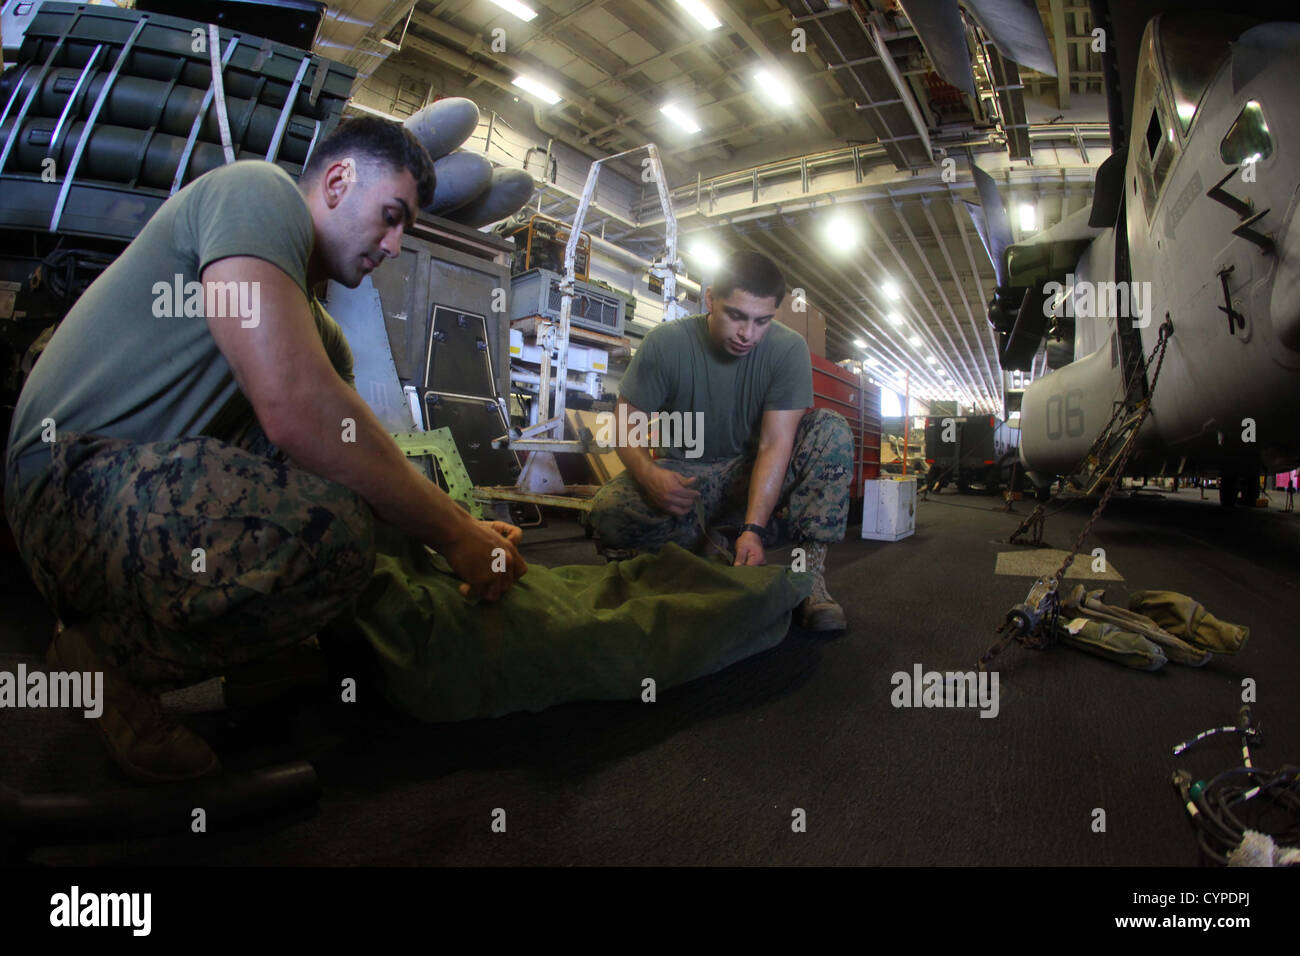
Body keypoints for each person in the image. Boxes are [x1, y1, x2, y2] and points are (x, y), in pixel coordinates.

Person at [2, 117, 526, 783]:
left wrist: (463, 527)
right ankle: (104, 659)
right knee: (334, 533)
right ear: (336, 182)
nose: (395, 245)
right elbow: (295, 408)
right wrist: (455, 536)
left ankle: (261, 660)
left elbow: (356, 449)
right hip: (63, 485)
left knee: (347, 490)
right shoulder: (258, 193)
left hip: (134, 489)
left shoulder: (319, 328)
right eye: (391, 217)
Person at [588, 250, 854, 631]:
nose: (748, 333)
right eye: (736, 316)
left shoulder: (788, 350)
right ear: (710, 299)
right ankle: (691, 557)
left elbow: (775, 445)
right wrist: (649, 475)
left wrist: (754, 530)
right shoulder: (665, 344)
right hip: (689, 481)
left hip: (753, 479)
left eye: (762, 321)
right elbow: (625, 427)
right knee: (609, 509)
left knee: (831, 428)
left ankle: (808, 578)